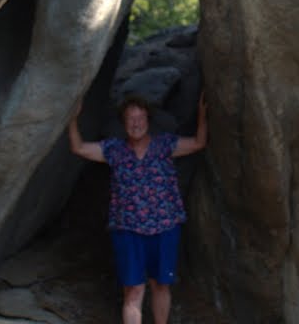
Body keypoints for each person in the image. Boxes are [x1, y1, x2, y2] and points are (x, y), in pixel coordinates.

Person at [68, 92, 208, 324]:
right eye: (130, 119)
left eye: (140, 118)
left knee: (161, 285)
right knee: (133, 291)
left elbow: (198, 143)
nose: (136, 123)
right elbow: (79, 148)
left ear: (148, 121)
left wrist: (203, 116)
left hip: (164, 227)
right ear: (123, 124)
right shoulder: (114, 149)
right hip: (128, 229)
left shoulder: (164, 144)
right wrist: (72, 119)